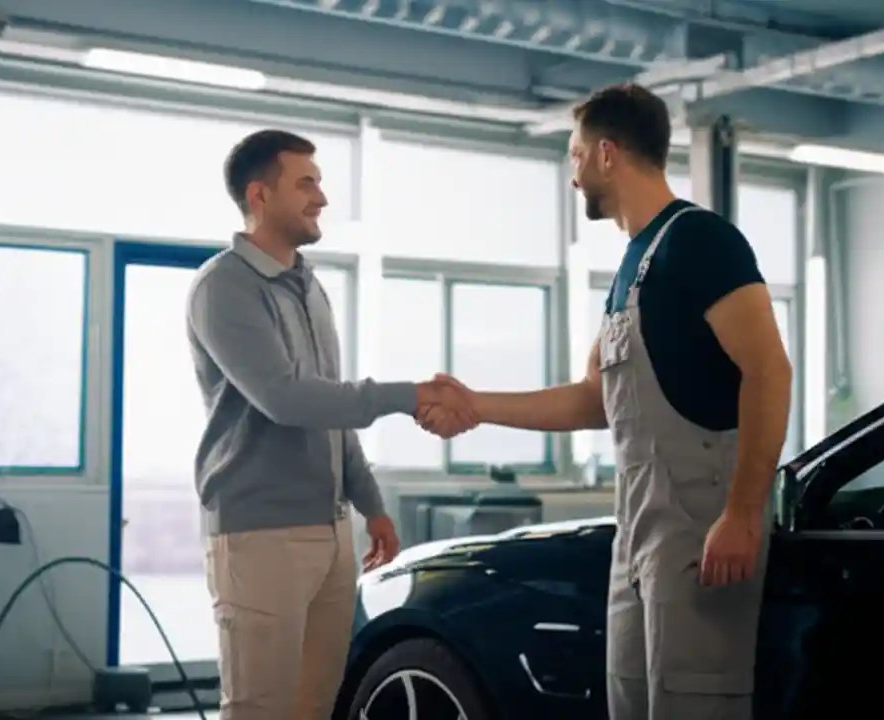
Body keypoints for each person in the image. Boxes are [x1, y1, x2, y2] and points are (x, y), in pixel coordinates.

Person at [421, 83, 792, 719]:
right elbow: (595, 401)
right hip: (638, 524)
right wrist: (477, 404)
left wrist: (743, 514)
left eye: (574, 157)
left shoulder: (699, 242)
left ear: (607, 155)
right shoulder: (632, 267)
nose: (572, 178)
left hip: (702, 523)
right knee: (629, 701)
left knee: (694, 705)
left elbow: (770, 372)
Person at [186, 129, 473, 720]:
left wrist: (371, 504)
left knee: (316, 706)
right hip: (259, 536)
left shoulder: (308, 285)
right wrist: (411, 394)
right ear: (260, 194)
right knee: (260, 709)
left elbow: (332, 410)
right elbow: (287, 400)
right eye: (306, 183)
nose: (321, 198)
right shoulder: (223, 287)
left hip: (329, 532)